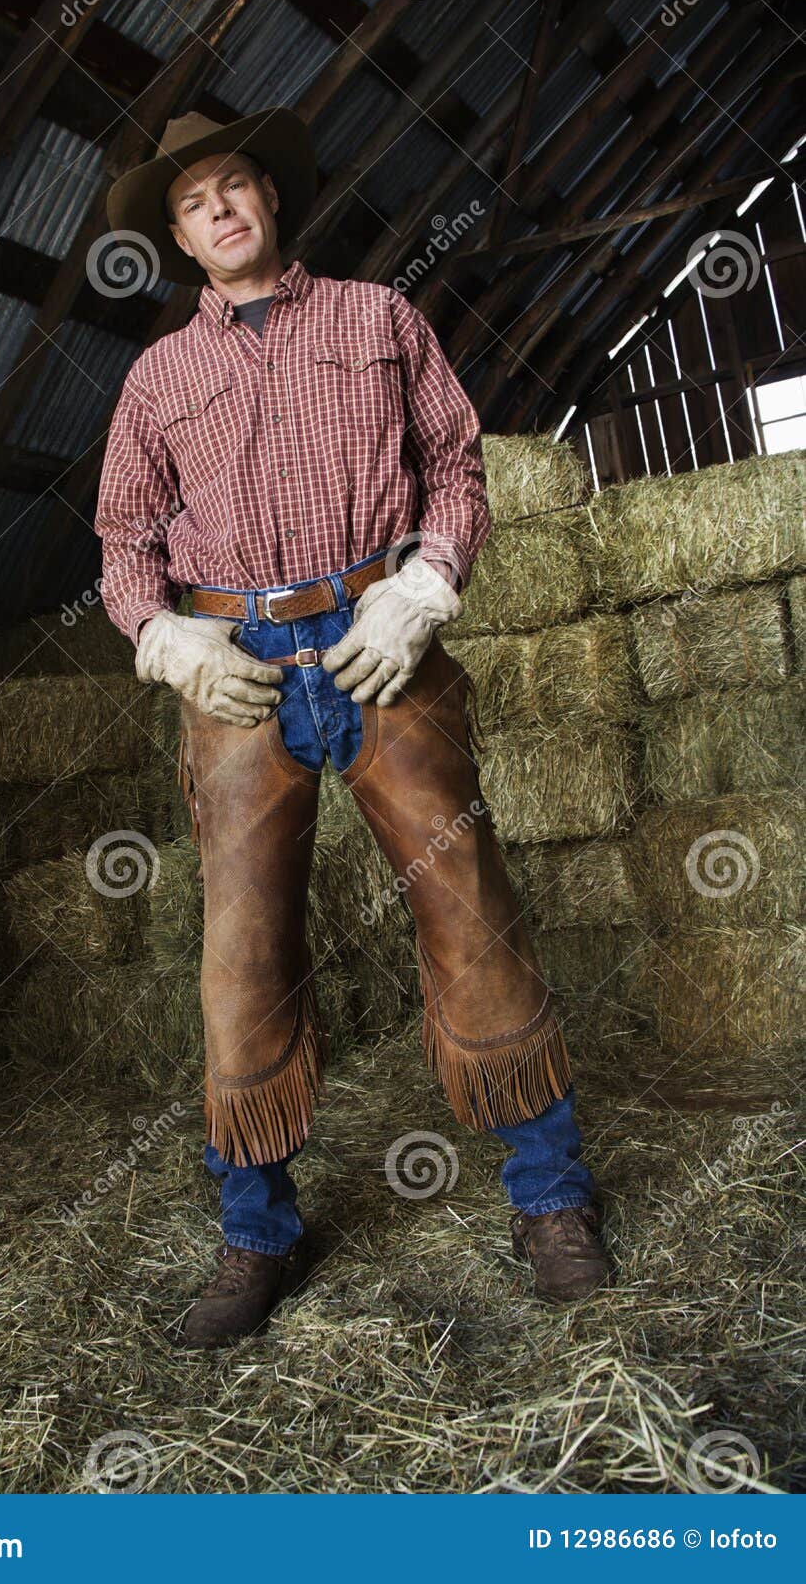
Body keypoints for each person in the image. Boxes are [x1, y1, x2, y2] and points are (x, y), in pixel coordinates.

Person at [95, 107, 612, 1349]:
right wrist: (165, 638)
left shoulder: (377, 317)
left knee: (469, 906)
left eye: (232, 187)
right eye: (192, 204)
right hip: (239, 666)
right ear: (177, 238)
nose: (219, 211)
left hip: (377, 640)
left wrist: (424, 587)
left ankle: (550, 1200)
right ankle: (256, 1232)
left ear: (269, 196)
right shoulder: (156, 378)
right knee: (242, 948)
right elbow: (122, 542)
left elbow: (456, 465)